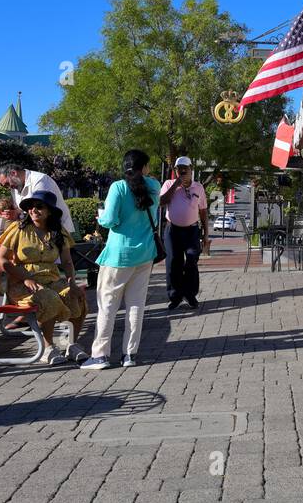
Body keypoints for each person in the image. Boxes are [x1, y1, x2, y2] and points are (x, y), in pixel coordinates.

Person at [81, 149, 161, 370]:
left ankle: (100, 356)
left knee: (107, 305)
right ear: (144, 167)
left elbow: (109, 220)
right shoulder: (154, 186)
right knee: (136, 305)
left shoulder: (118, 187)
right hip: (145, 253)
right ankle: (130, 355)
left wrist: (101, 216)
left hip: (118, 255)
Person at [0, 189, 87, 364]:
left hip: (51, 279)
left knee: (76, 296)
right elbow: (1, 260)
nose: (33, 210)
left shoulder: (58, 231)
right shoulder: (18, 228)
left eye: (39, 206)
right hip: (23, 283)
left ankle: (72, 344)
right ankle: (48, 348)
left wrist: (72, 283)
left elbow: (67, 262)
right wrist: (26, 277)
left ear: (50, 211)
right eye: (30, 207)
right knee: (48, 298)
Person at [160, 156, 209, 309]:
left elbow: (203, 211)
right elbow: (161, 202)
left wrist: (206, 234)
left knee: (192, 260)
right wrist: (176, 185)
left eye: (184, 169)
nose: (181, 171)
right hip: (172, 230)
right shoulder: (168, 184)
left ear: (190, 169)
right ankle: (175, 296)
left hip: (192, 230)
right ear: (175, 170)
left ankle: (190, 294)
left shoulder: (198, 187)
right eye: (178, 169)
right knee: (173, 262)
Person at [0, 164, 75, 234]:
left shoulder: (40, 180)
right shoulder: (15, 188)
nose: (8, 187)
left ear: (13, 173)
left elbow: (41, 213)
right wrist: (14, 214)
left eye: (7, 183)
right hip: (36, 233)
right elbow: (22, 211)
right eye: (5, 186)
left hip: (57, 232)